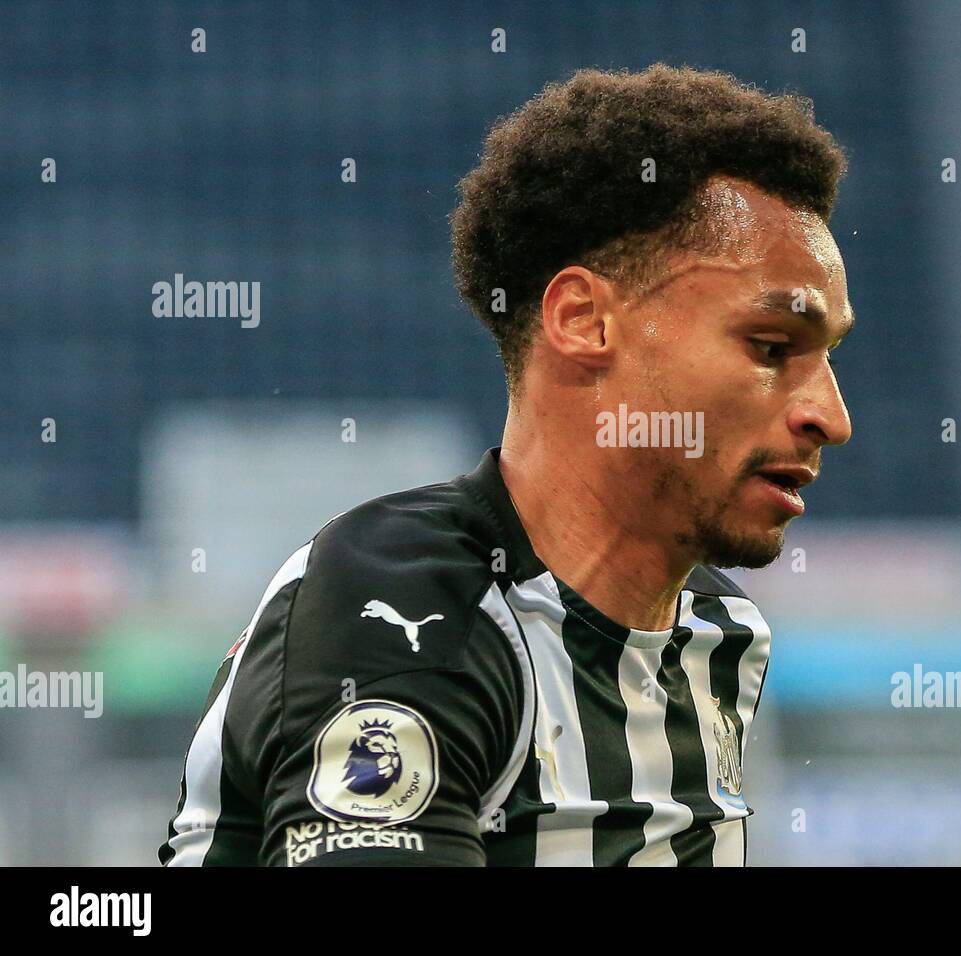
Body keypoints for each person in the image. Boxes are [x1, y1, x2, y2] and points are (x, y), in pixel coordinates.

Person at [161, 62, 853, 867]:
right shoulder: (406, 607)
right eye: (772, 348)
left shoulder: (718, 634)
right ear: (585, 322)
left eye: (828, 357)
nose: (830, 418)